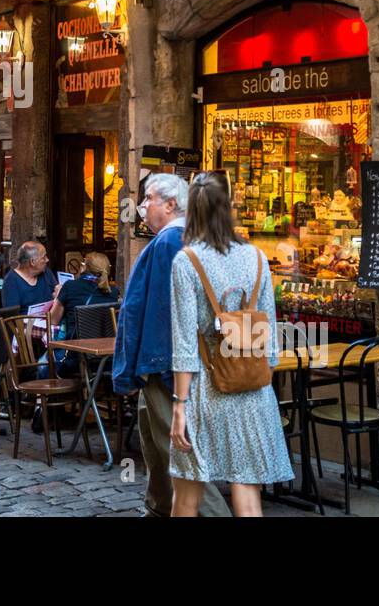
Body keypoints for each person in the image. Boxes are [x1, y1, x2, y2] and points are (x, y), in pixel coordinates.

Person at [169, 172, 293, 517]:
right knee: (248, 492)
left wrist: (179, 404)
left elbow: (183, 343)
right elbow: (269, 332)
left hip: (206, 389)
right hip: (251, 390)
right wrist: (256, 373)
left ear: (191, 210)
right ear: (229, 207)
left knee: (187, 493)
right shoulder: (255, 257)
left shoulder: (187, 261)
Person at [113, 173, 231, 519]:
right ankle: (159, 507)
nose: (142, 206)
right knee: (155, 441)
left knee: (178, 450)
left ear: (171, 204)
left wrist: (162, 367)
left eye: (148, 198)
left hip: (164, 363)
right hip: (159, 362)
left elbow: (168, 311)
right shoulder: (185, 240)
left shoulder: (169, 244)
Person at [47, 251, 119, 375]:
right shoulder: (113, 292)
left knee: (43, 368)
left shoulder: (70, 286)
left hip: (76, 357)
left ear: (84, 267)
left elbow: (53, 320)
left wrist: (58, 297)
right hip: (107, 358)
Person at [1, 241, 58, 313]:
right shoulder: (11, 281)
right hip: (25, 323)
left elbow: (56, 292)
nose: (47, 260)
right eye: (44, 257)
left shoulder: (46, 272)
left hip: (50, 321)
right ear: (32, 262)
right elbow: (12, 317)